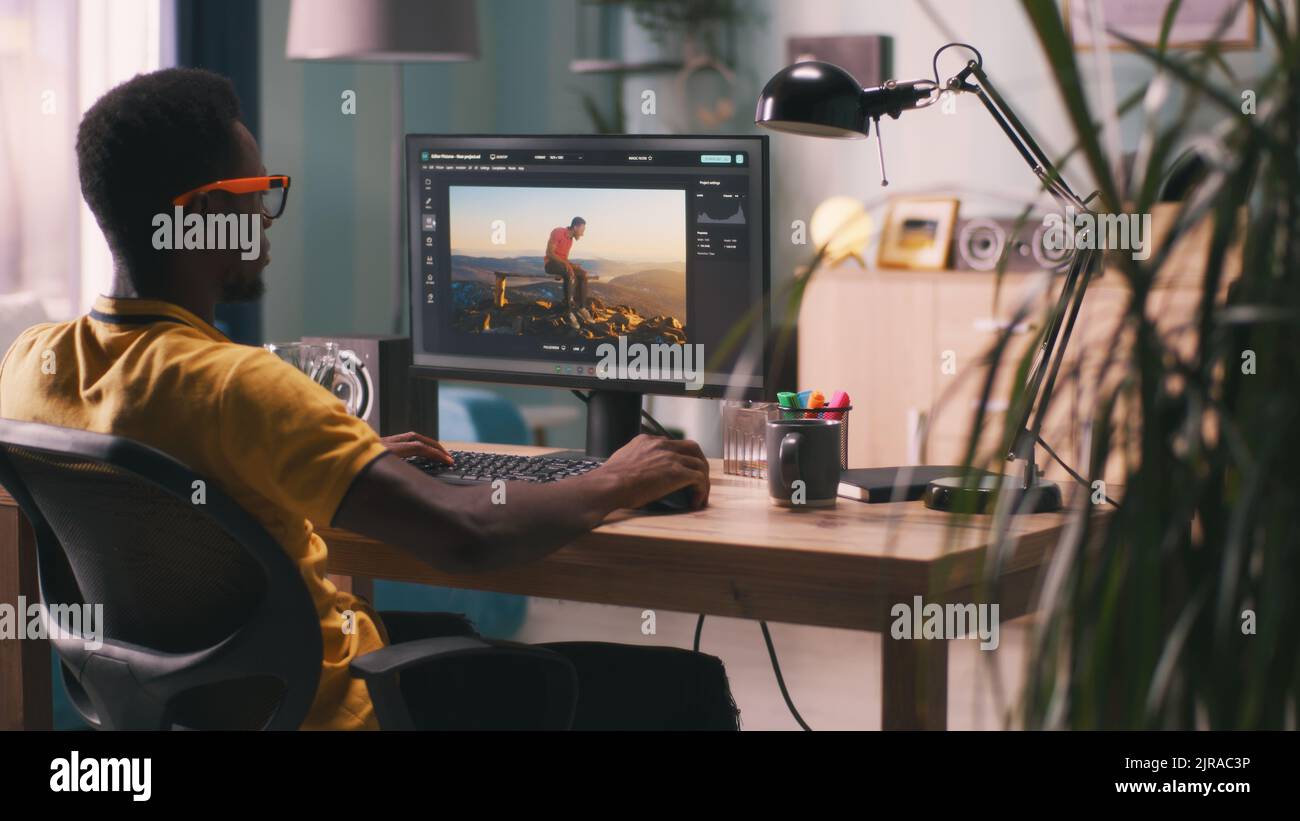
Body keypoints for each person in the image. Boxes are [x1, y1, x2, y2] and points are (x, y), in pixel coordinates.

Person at [0, 68, 738, 731]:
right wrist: (619, 476)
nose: (267, 219)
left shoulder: (28, 364)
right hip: (339, 711)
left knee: (453, 632)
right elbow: (466, 534)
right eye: (261, 195)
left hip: (199, 708)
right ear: (205, 215)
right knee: (686, 685)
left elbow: (173, 478)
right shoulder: (242, 385)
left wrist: (349, 461)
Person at [544, 216, 593, 330]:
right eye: (582, 230)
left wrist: (572, 265)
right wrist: (567, 266)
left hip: (561, 265)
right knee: (569, 273)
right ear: (575, 227)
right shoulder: (558, 232)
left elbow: (563, 259)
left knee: (582, 274)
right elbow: (550, 253)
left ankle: (581, 307)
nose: (582, 234)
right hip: (550, 264)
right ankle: (568, 312)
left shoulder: (570, 240)